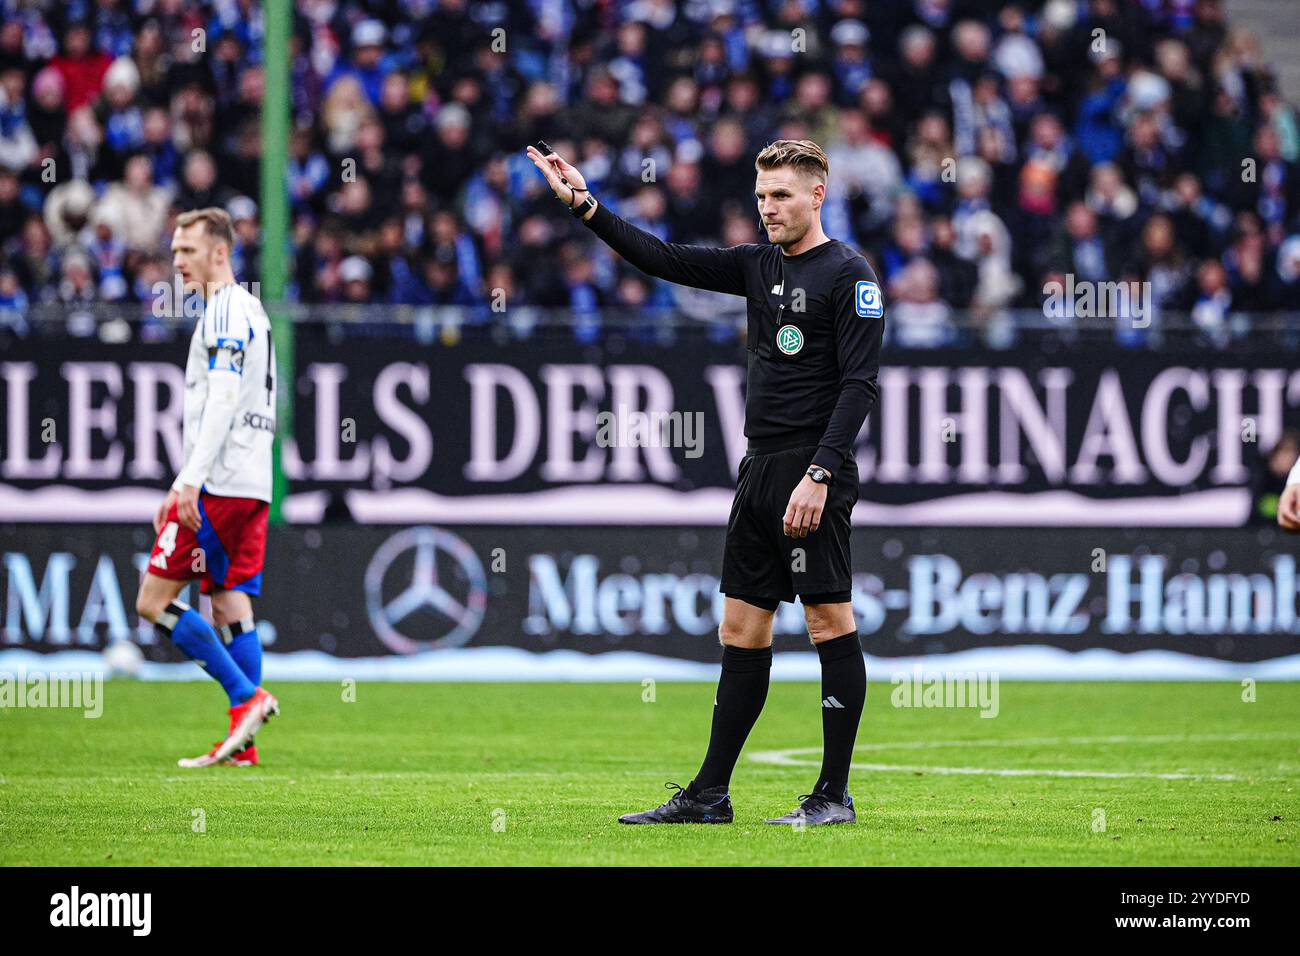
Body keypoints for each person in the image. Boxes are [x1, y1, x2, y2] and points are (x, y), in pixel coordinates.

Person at [527, 139, 884, 825]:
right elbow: (665, 259)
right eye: (761, 197)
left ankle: (833, 795)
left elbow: (859, 384)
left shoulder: (849, 275)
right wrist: (588, 207)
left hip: (812, 470)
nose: (768, 209)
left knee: (826, 619)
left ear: (817, 195)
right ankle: (710, 794)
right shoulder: (758, 265)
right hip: (758, 469)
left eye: (781, 196)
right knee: (742, 628)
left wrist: (821, 473)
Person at [133, 207, 280, 768]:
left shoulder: (224, 312)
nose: (177, 262)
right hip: (252, 480)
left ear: (220, 252)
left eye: (187, 251)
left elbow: (221, 397)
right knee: (227, 600)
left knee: (152, 601)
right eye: (174, 252)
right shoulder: (252, 311)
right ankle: (245, 743)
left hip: (220, 481)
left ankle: (247, 697)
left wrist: (189, 482)